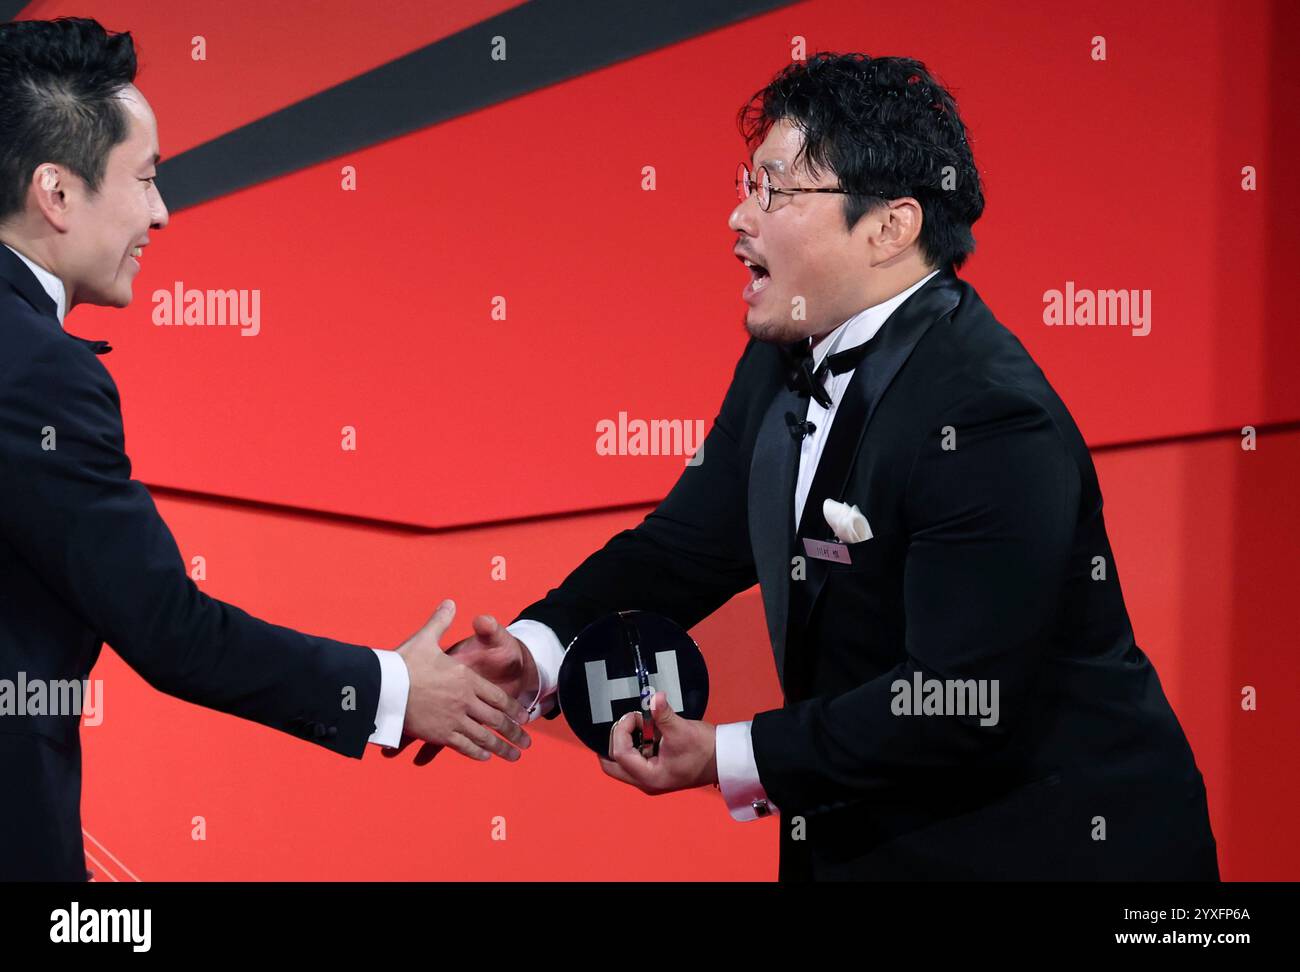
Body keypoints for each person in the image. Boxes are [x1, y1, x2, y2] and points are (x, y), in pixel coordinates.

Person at [436, 53, 1220, 880]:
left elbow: (958, 702)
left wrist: (726, 755)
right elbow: (683, 549)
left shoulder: (989, 414)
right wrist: (536, 648)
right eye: (747, 184)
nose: (740, 216)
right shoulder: (785, 357)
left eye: (775, 190)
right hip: (860, 837)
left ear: (890, 227)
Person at [0, 17, 531, 882]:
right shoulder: (38, 374)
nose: (162, 213)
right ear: (56, 193)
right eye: (147, 179)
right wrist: (392, 690)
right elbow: (171, 631)